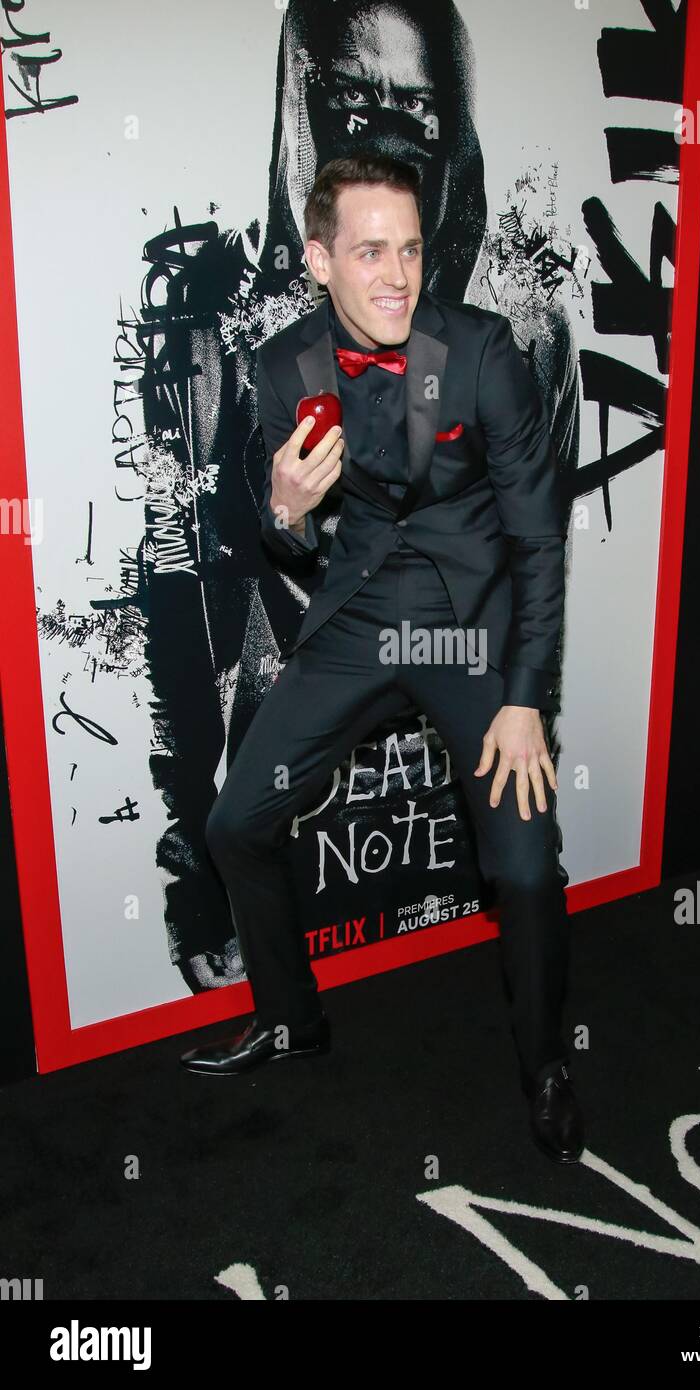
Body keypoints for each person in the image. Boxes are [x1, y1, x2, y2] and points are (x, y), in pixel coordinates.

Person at [180, 152, 583, 1164]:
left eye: (407, 248)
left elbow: (537, 537)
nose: (396, 274)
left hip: (471, 629)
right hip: (359, 618)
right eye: (368, 252)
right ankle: (291, 1016)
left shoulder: (485, 351)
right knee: (236, 819)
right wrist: (283, 508)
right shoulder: (280, 369)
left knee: (525, 866)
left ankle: (546, 1061)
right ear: (318, 259)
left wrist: (523, 697)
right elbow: (290, 546)